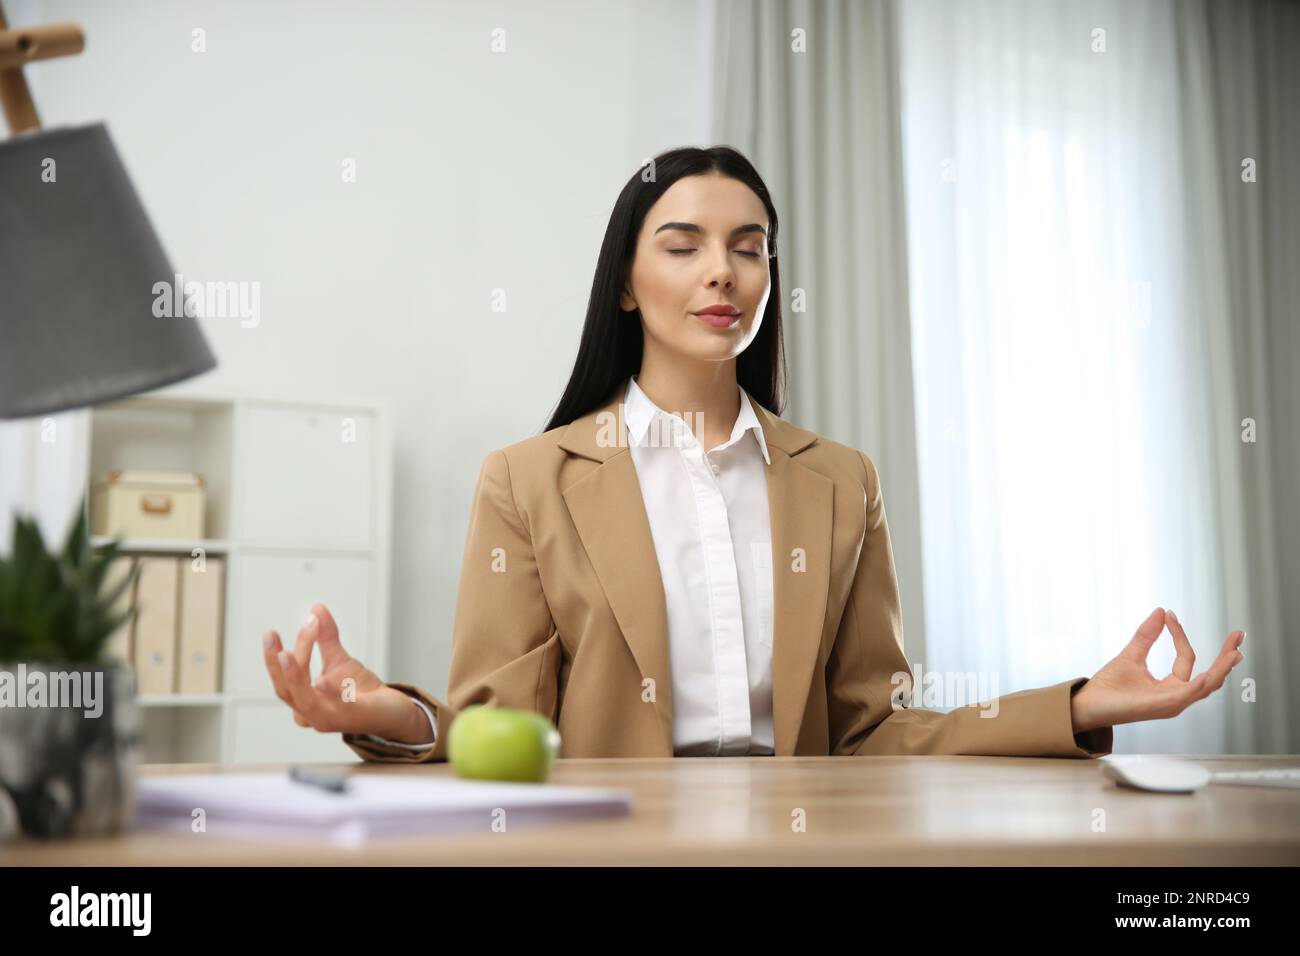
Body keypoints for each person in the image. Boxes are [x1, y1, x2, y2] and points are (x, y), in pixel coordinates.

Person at [261, 145, 1245, 763]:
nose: (722, 271)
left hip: (806, 841)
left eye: (749, 244)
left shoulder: (839, 478)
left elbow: (875, 725)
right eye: (682, 244)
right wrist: (387, 708)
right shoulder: (527, 479)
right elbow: (499, 727)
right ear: (626, 282)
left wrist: (1075, 704)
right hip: (611, 848)